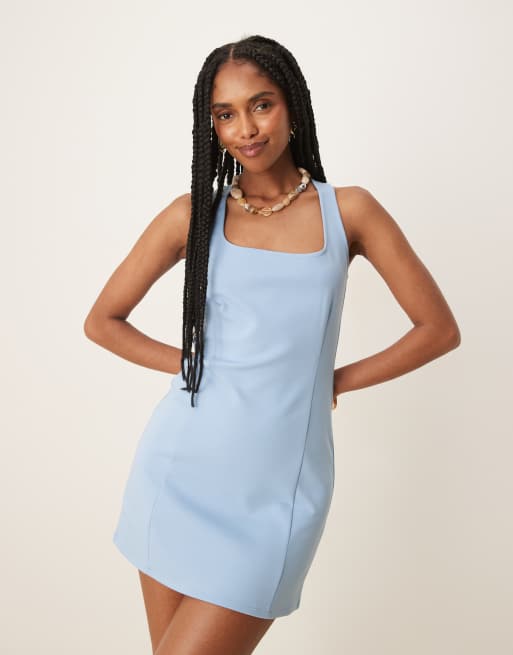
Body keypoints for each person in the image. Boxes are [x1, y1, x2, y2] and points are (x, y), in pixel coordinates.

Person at [84, 34, 460, 655]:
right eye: (225, 114)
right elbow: (103, 321)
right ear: (210, 126)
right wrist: (196, 365)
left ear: (293, 104)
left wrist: (329, 381)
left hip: (277, 493)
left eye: (261, 105)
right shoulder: (193, 216)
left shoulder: (351, 212)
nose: (246, 129)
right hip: (178, 473)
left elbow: (437, 329)